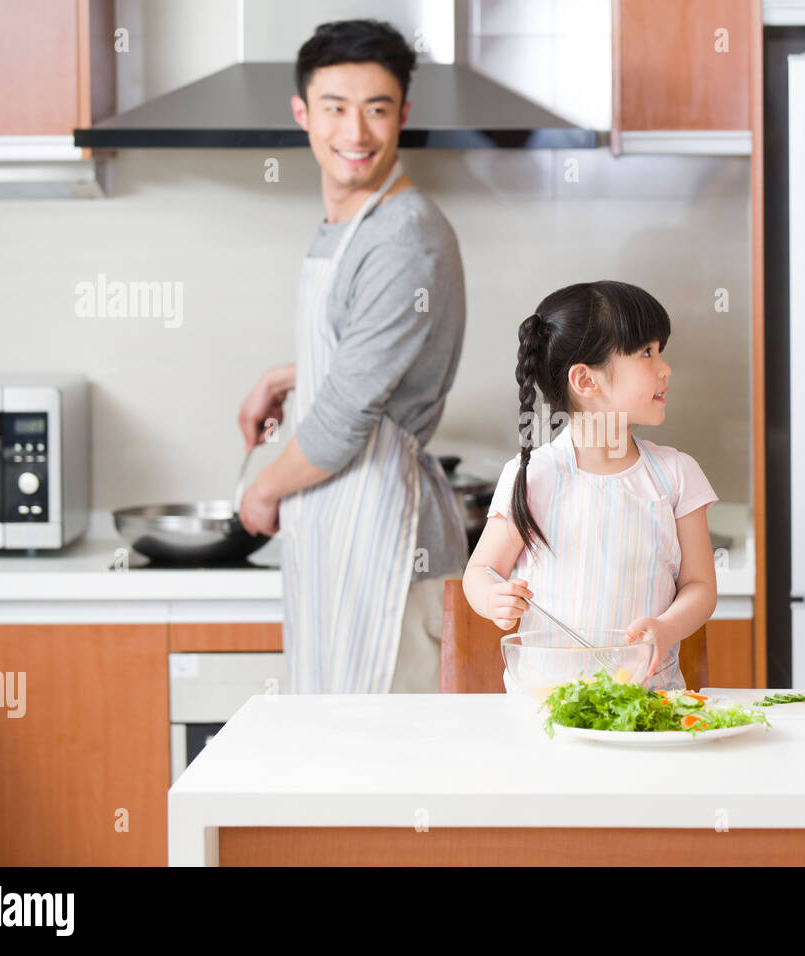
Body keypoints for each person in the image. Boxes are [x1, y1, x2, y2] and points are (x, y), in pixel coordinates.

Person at [237, 20, 467, 694]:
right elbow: (365, 355)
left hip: (388, 547)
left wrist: (263, 489)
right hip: (340, 534)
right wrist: (290, 376)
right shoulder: (348, 223)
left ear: (403, 114)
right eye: (336, 108)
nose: (356, 133)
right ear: (303, 113)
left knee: (387, 774)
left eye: (377, 108)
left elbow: (345, 416)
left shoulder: (402, 236)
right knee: (337, 761)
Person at [463, 281, 718, 691]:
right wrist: (494, 597)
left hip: (649, 703)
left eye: (660, 351)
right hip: (544, 706)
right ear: (585, 381)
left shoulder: (677, 474)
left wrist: (666, 628)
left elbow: (700, 586)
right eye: (646, 353)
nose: (664, 368)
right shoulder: (533, 476)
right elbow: (480, 571)